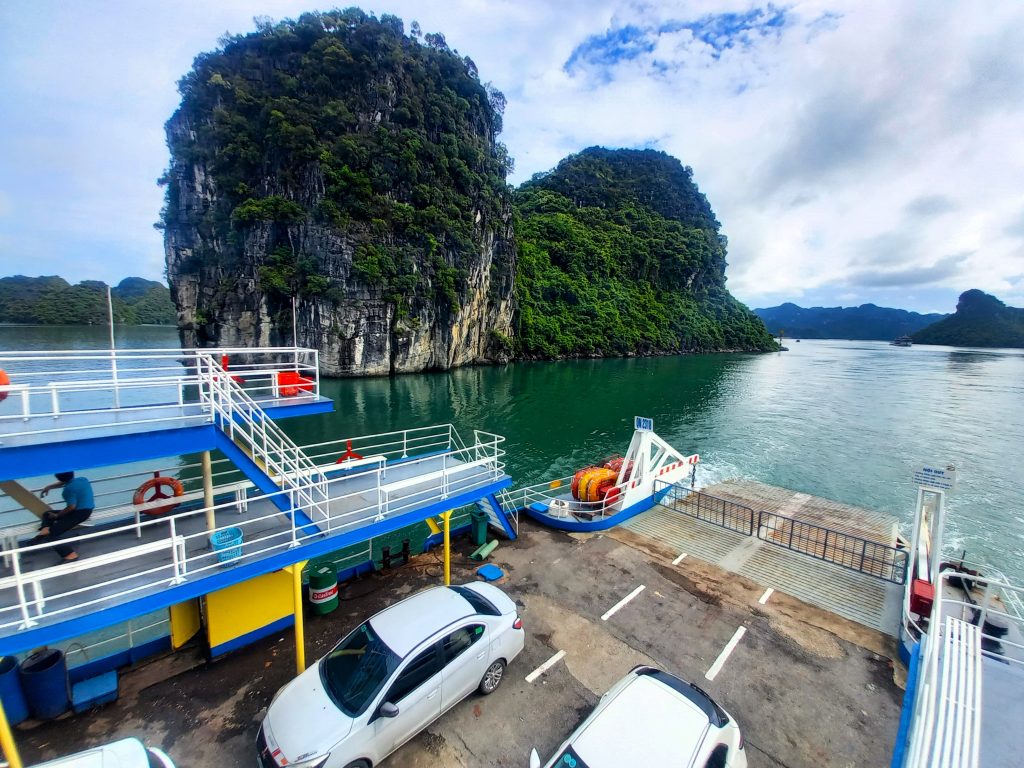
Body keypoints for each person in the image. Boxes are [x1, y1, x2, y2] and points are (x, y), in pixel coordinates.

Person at [35, 471, 94, 562]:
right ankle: (45, 529)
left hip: (80, 514)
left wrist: (57, 515)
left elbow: (71, 507)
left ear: (58, 478)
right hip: (86, 509)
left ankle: (70, 555)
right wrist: (49, 487)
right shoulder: (83, 479)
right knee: (47, 514)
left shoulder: (68, 490)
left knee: (52, 535)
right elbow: (66, 481)